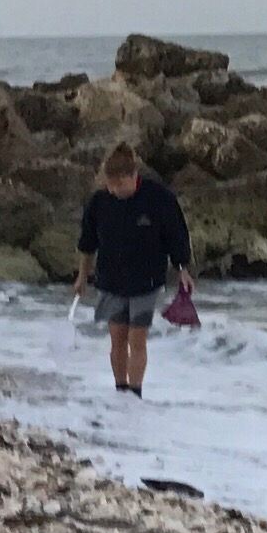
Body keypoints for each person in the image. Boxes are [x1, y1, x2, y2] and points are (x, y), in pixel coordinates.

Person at [75, 142, 192, 396]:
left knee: (137, 339)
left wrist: (182, 268)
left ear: (133, 175)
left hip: (146, 281)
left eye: (120, 185)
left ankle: (135, 394)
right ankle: (120, 390)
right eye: (111, 185)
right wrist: (82, 276)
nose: (115, 190)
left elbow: (176, 236)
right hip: (110, 279)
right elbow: (87, 244)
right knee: (117, 338)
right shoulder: (99, 202)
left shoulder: (158, 198)